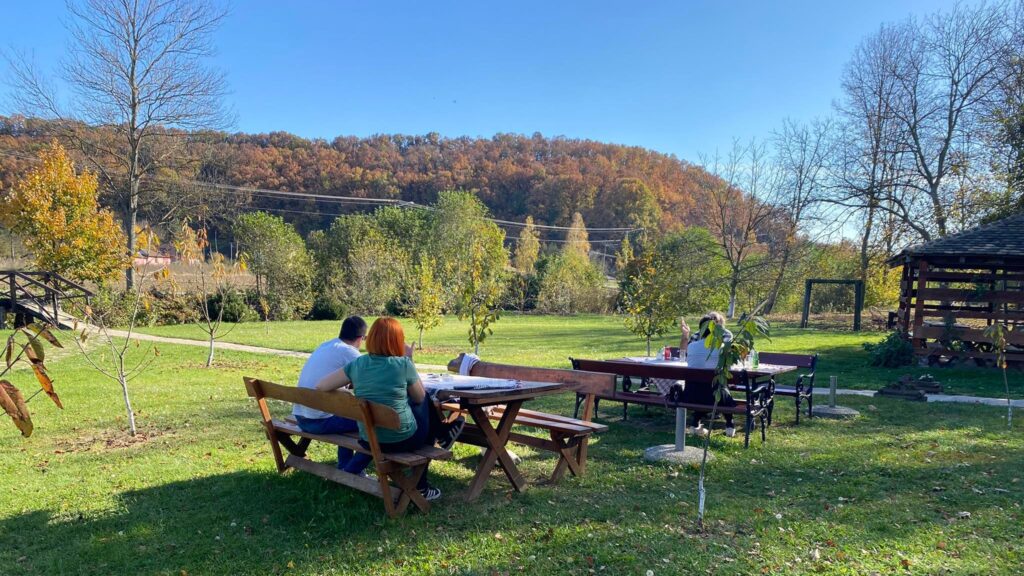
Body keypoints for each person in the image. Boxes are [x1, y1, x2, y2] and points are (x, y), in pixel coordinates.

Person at [317, 317, 464, 501]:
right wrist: (409, 359)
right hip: (402, 439)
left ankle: (443, 433)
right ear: (396, 341)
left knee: (413, 403)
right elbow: (418, 398)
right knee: (425, 400)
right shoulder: (403, 365)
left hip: (369, 440)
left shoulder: (357, 364)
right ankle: (422, 483)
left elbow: (321, 386)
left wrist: (350, 396)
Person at [293, 316, 369, 472]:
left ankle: (345, 463)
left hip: (301, 417)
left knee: (346, 411)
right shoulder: (350, 352)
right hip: (319, 422)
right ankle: (351, 469)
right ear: (361, 338)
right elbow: (372, 381)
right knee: (371, 422)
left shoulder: (326, 345)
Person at [682, 311, 738, 438]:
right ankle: (730, 424)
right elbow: (728, 369)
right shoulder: (722, 348)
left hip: (691, 394)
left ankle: (695, 422)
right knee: (721, 389)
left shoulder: (691, 347)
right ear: (716, 330)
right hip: (716, 397)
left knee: (704, 386)